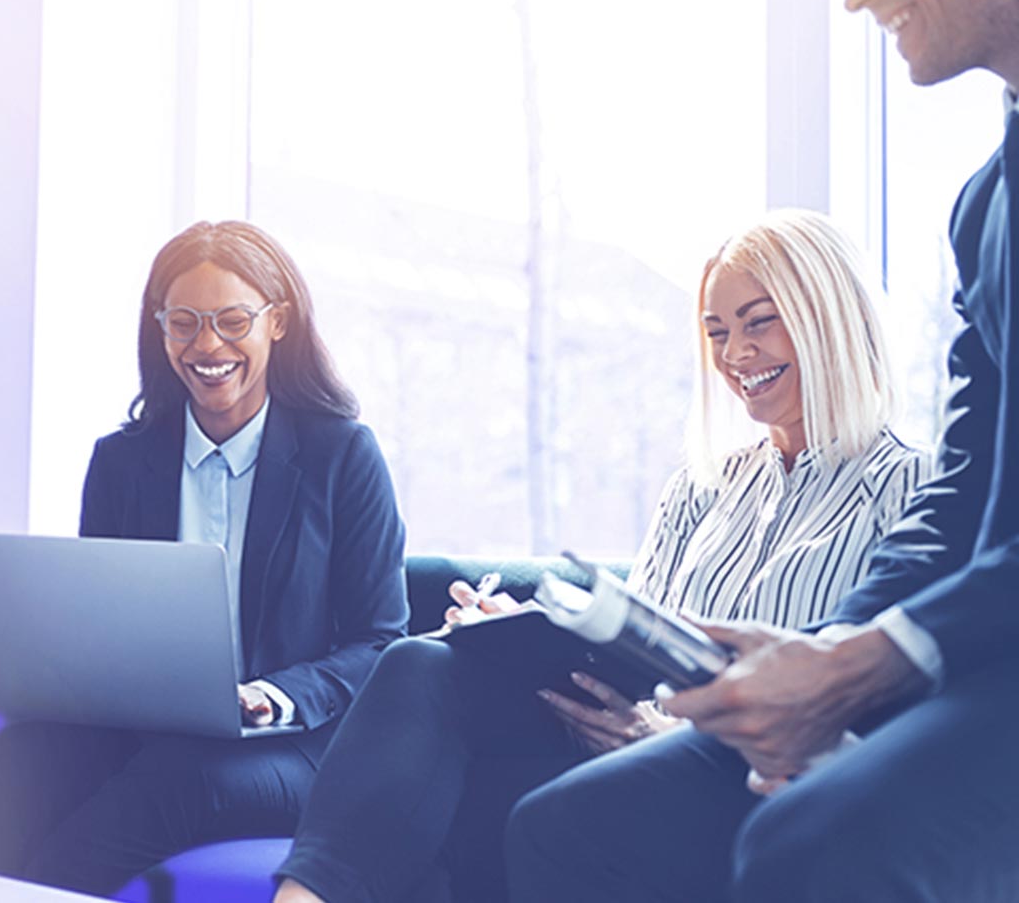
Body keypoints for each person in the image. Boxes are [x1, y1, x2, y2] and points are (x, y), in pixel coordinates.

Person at [505, 0, 1019, 899]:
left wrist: (876, 667)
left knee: (808, 846)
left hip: (990, 673)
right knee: (566, 828)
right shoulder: (984, 206)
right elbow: (966, 498)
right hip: (974, 653)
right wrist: (813, 664)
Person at [273, 210, 929, 903]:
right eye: (717, 332)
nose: (736, 354)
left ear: (827, 316)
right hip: (618, 739)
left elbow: (878, 711)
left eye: (758, 321)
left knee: (502, 801)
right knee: (424, 663)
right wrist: (521, 636)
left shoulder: (913, 491)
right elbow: (631, 641)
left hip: (744, 778)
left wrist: (663, 736)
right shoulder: (703, 486)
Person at [0, 220, 410, 897]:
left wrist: (272, 697)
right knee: (1, 773)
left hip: (296, 746)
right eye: (184, 323)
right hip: (144, 728)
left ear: (278, 322)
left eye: (233, 320)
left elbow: (380, 641)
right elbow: (99, 623)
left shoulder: (344, 456)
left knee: (166, 789)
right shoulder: (122, 462)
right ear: (161, 328)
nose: (207, 345)